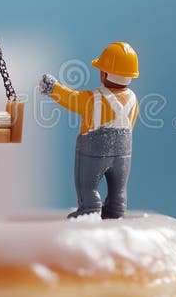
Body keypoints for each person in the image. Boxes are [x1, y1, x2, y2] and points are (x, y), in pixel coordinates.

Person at [40, 42, 140, 219]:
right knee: (119, 187)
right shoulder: (133, 99)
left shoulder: (92, 99)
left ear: (104, 74)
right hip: (124, 152)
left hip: (93, 151)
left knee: (88, 185)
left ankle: (89, 210)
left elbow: (70, 98)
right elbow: (130, 123)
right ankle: (116, 209)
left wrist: (53, 88)